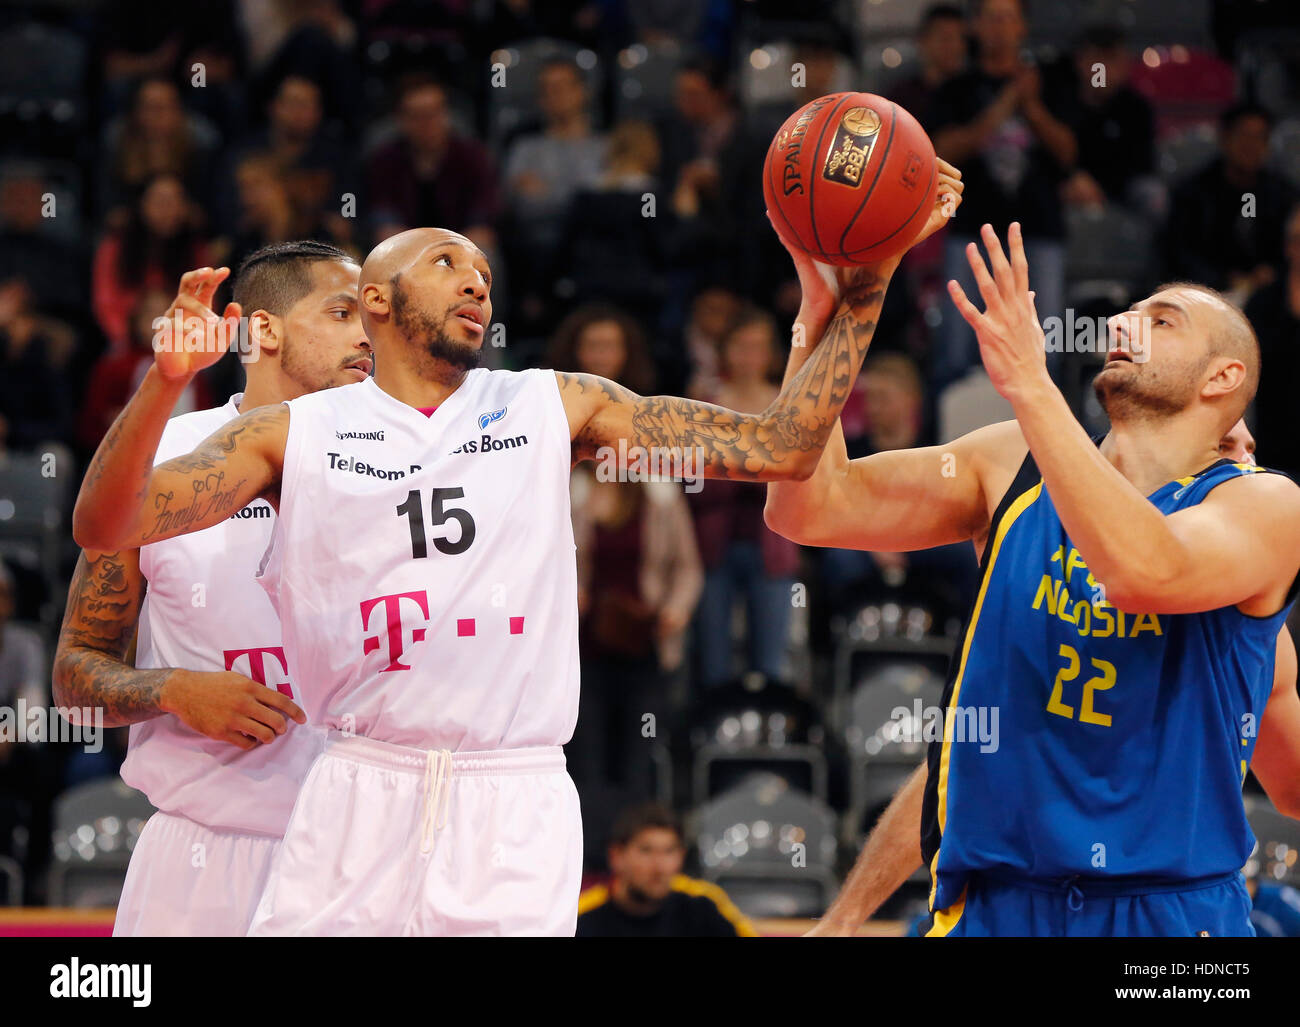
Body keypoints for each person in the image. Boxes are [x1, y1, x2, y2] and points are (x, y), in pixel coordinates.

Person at [70, 160, 963, 935]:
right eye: (445, 260)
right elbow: (107, 526)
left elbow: (781, 448)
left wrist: (866, 289)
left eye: (485, 270)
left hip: (514, 789)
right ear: (375, 301)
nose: (475, 279)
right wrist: (169, 382)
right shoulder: (299, 432)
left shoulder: (550, 404)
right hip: (357, 782)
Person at [766, 222, 1300, 936]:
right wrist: (831, 314)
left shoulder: (1264, 506)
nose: (1123, 324)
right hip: (996, 907)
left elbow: (1144, 571)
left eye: (1161, 319)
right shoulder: (1012, 463)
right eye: (1126, 313)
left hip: (1166, 921)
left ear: (1222, 378)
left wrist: (1027, 381)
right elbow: (806, 505)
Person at [53, 241, 371, 935]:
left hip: (365, 859)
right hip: (202, 863)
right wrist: (174, 690)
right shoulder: (164, 459)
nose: (365, 336)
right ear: (261, 330)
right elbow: (74, 680)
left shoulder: (409, 464)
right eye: (343, 312)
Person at [576, 802, 758, 937]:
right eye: (646, 851)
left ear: (682, 855)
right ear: (616, 856)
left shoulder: (702, 904)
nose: (659, 866)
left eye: (669, 851)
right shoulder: (582, 917)